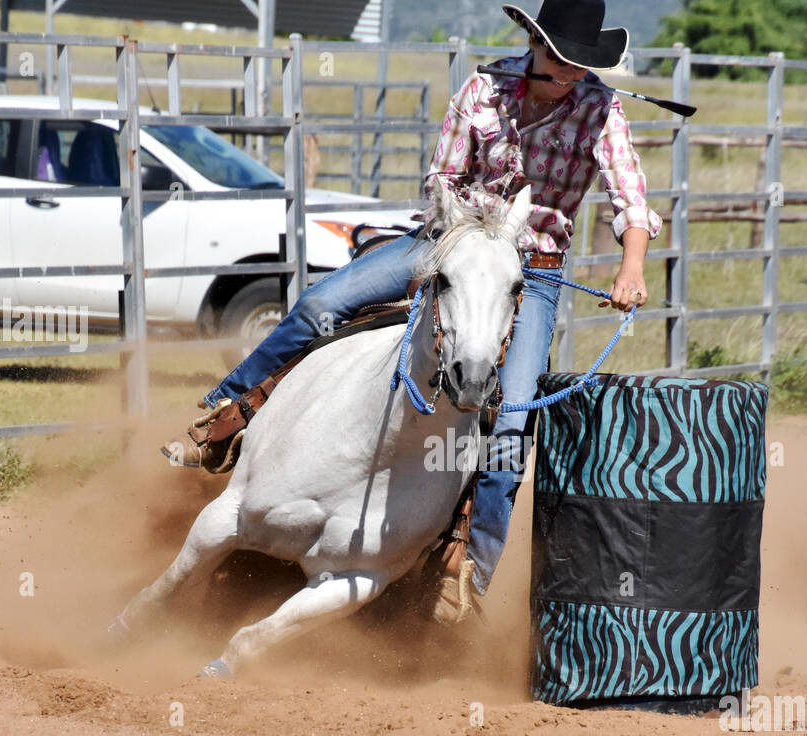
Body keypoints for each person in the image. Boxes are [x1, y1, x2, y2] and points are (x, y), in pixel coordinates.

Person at [162, 0, 662, 623]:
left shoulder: (600, 108)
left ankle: (467, 570)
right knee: (323, 303)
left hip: (531, 270)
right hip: (447, 242)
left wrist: (631, 266)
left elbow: (630, 197)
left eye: (577, 64)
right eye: (558, 59)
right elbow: (442, 178)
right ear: (535, 43)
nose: (566, 73)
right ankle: (224, 419)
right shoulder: (484, 89)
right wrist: (470, 227)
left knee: (509, 421)